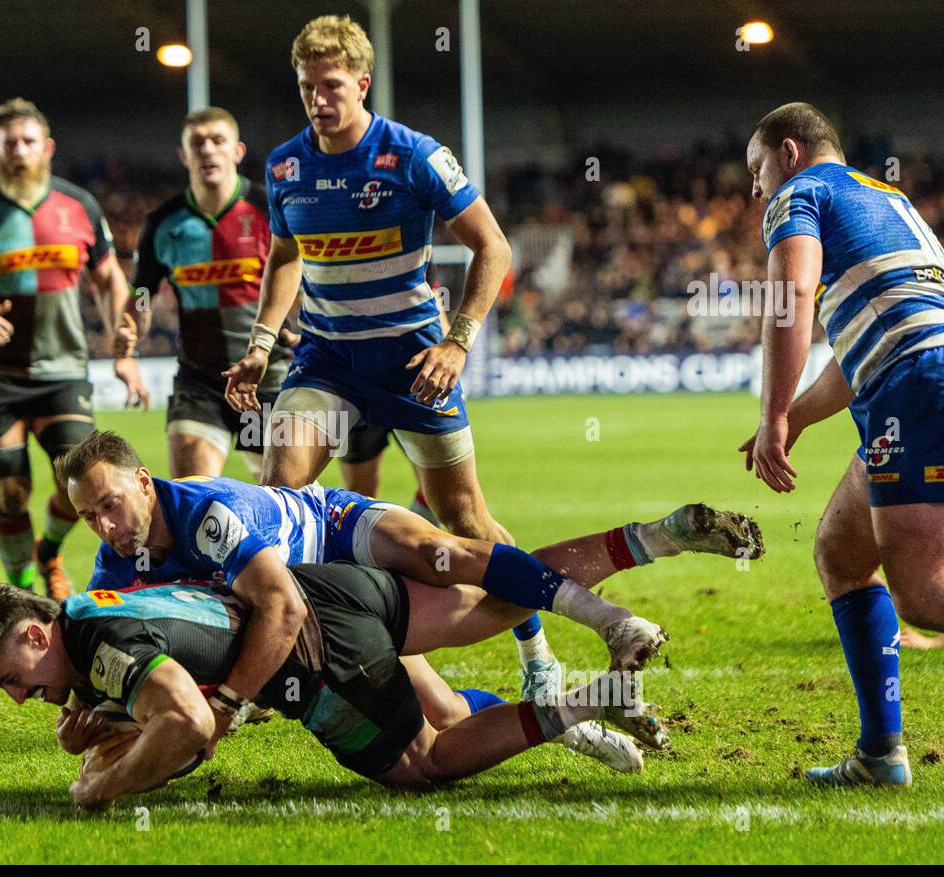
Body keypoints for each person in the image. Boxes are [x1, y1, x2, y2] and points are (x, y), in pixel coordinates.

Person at [218, 15, 575, 729]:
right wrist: (262, 342)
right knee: (280, 491)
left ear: (362, 82)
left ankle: (535, 647)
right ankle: (282, 651)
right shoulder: (285, 166)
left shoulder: (414, 156)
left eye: (330, 86)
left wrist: (458, 341)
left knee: (463, 517)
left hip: (414, 364)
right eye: (306, 88)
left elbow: (494, 248)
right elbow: (285, 257)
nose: (318, 100)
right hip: (327, 358)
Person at [56, 429, 763, 768]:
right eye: (91, 516)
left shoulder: (203, 513)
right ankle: (579, 718)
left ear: (145, 481)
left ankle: (649, 550)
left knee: (451, 562)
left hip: (333, 534)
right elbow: (104, 639)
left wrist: (229, 704)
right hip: (331, 615)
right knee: (447, 713)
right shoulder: (115, 561)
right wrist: (85, 710)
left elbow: (277, 606)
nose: (107, 524)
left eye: (113, 503)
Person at [0, 561, 670, 808]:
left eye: (9, 678)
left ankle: (586, 702)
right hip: (322, 587)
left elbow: (190, 725)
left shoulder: (98, 645)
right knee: (485, 598)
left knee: (426, 763)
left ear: (37, 636)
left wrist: (105, 784)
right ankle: (627, 571)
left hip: (314, 658)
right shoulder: (94, 606)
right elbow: (174, 674)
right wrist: (106, 730)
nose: (16, 695)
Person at [740, 101, 944, 786]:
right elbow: (860, 350)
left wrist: (769, 412)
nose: (755, 188)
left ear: (789, 152)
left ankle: (883, 755)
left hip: (916, 384)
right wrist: (795, 417)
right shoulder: (887, 198)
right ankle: (881, 754)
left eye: (756, 169)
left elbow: (792, 293)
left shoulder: (800, 193)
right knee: (841, 548)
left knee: (920, 596)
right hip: (917, 375)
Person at [0, 97, 141, 600]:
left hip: (63, 370)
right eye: (8, 143)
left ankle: (50, 552)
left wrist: (122, 349)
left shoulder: (78, 205)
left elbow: (109, 280)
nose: (19, 151)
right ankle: (23, 594)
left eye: (28, 142)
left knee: (80, 477)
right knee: (12, 490)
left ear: (48, 148)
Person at [119, 106, 293, 480]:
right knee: (193, 496)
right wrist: (127, 342)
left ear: (237, 151)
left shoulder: (269, 209)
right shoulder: (162, 224)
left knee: (282, 502)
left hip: (270, 376)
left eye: (218, 141)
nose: (208, 150)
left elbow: (303, 274)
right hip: (199, 380)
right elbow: (142, 295)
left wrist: (306, 322)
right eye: (197, 143)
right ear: (183, 155)